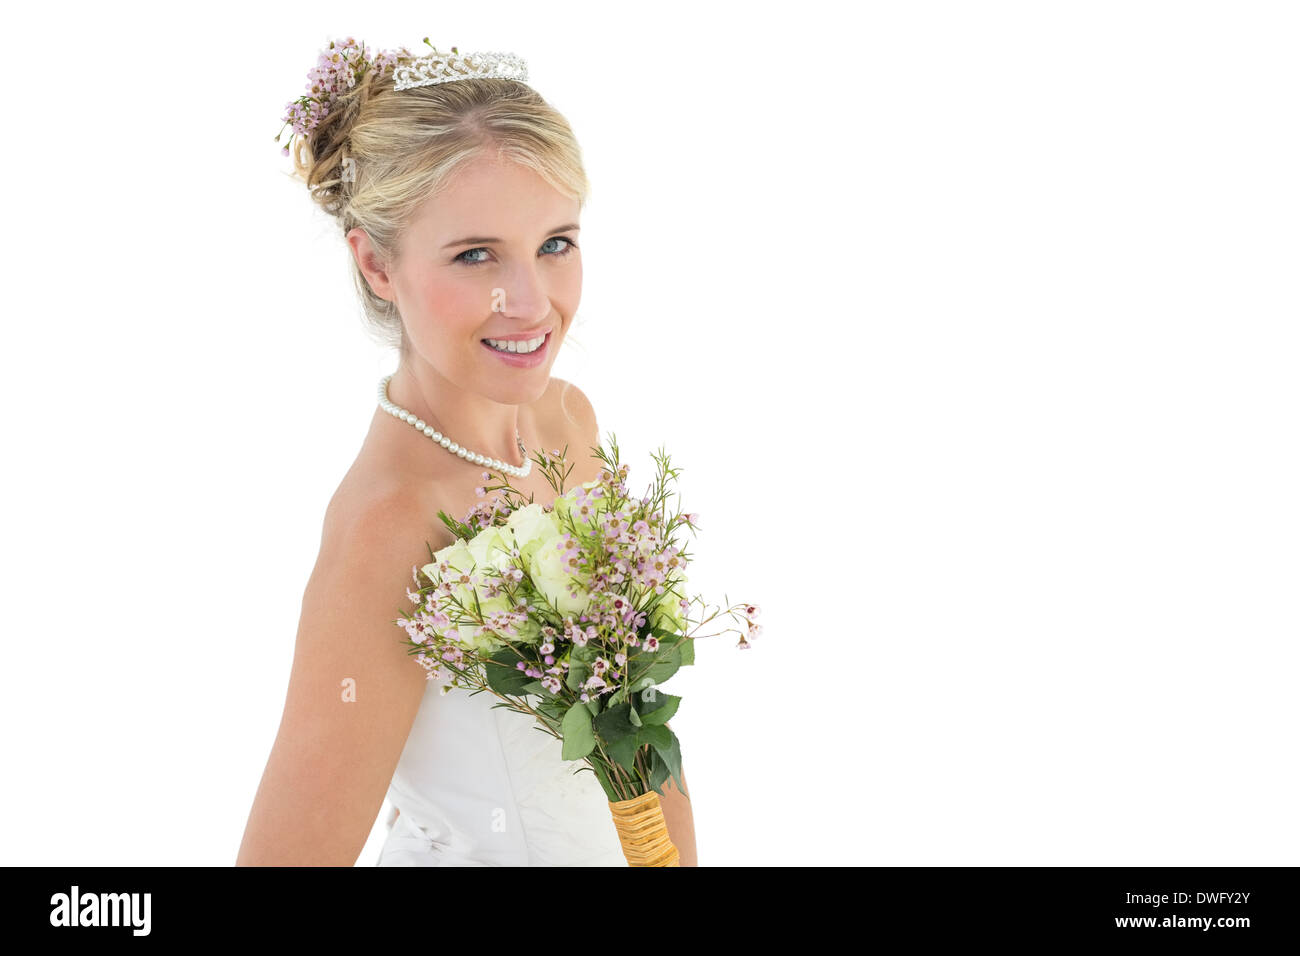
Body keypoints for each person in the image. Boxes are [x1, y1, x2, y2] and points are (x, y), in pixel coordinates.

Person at [235, 39, 697, 866]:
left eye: (555, 243)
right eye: (475, 254)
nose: (530, 304)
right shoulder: (390, 526)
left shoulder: (568, 425)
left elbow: (639, 734)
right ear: (377, 262)